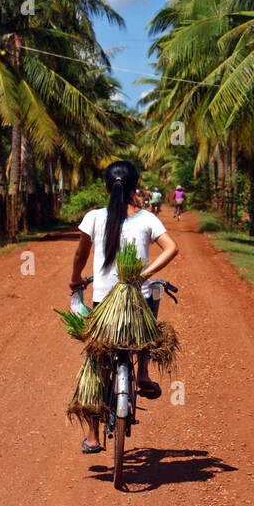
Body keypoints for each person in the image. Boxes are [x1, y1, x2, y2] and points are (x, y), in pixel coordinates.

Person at [69, 161, 179, 454]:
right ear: (135, 189)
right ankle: (142, 373)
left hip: (104, 303)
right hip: (137, 300)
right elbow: (172, 248)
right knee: (149, 314)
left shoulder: (93, 217)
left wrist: (75, 281)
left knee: (94, 365)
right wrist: (145, 274)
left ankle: (92, 437)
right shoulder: (147, 219)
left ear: (106, 187)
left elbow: (80, 255)